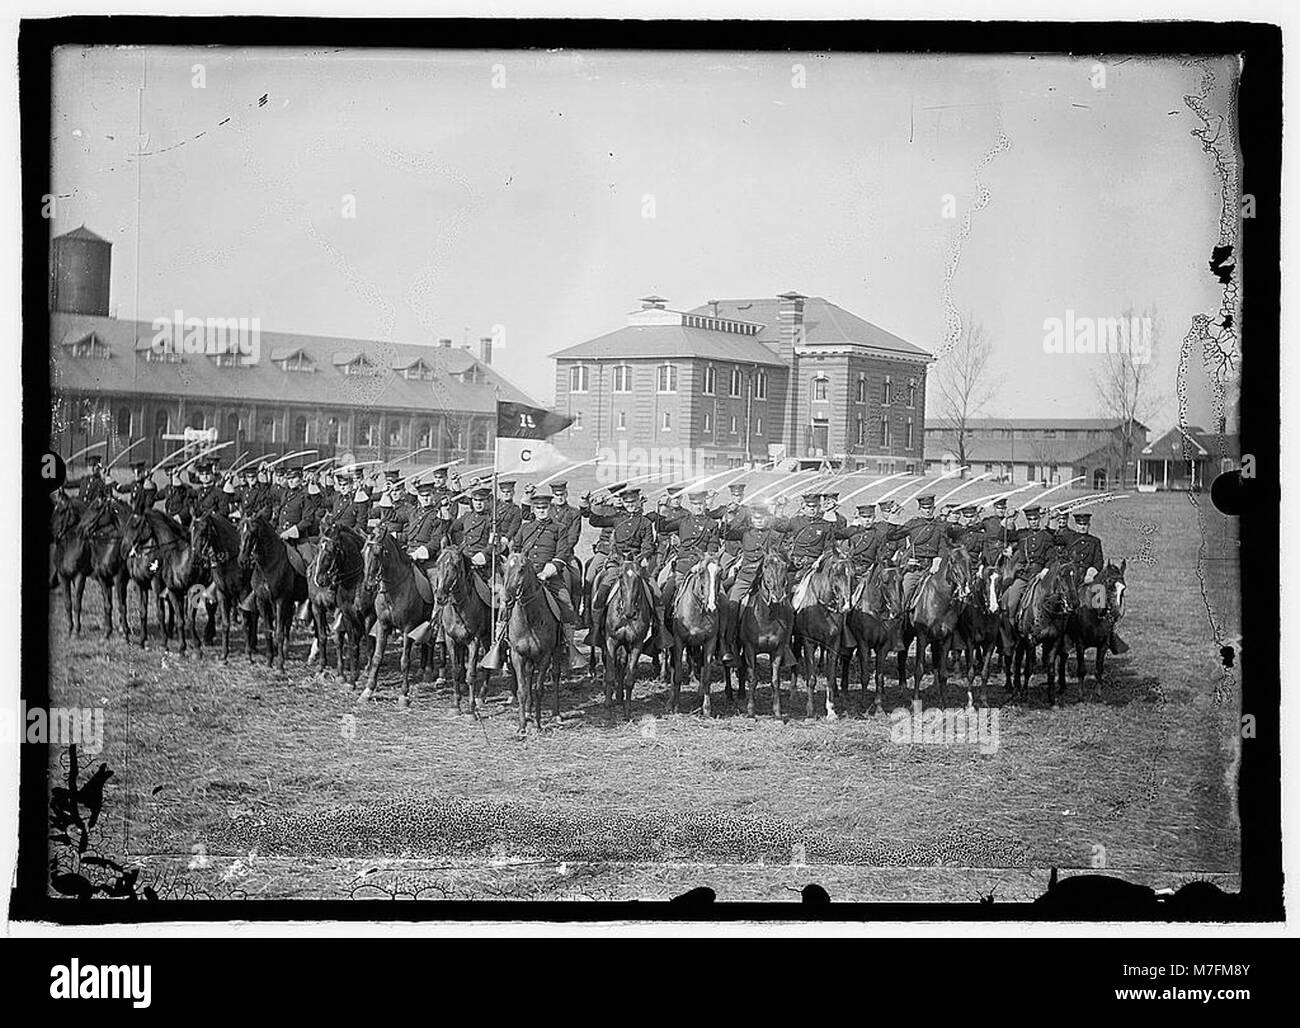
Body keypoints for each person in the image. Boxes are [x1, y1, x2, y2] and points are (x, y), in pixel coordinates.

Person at [481, 492, 582, 672]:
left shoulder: (559, 528)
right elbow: (516, 549)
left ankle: (569, 647)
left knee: (566, 605)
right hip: (524, 577)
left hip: (548, 577)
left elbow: (562, 554)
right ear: (533, 510)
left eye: (545, 508)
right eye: (538, 508)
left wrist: (547, 571)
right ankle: (500, 645)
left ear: (549, 509)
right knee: (504, 604)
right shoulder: (526, 529)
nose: (542, 511)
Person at [586, 488, 657, 651]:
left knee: (656, 593)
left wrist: (639, 558)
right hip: (617, 563)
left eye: (633, 502)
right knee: (602, 589)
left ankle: (659, 631)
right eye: (627, 502)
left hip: (636, 564)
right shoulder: (616, 518)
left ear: (639, 502)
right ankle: (596, 629)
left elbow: (648, 546)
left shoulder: (645, 523)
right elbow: (595, 521)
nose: (631, 505)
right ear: (623, 503)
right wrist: (594, 506)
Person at [885, 494, 951, 611]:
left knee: (949, 597)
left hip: (933, 569)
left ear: (934, 508)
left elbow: (943, 547)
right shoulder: (913, 524)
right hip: (915, 568)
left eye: (930, 508)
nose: (927, 511)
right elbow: (892, 536)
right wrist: (893, 517)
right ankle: (901, 622)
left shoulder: (939, 525)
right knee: (903, 597)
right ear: (919, 509)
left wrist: (938, 561)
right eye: (925, 508)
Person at [999, 505, 1057, 619]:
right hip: (1024, 576)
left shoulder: (1046, 536)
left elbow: (1051, 557)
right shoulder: (1022, 534)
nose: (1033, 522)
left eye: (1035, 519)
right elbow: (1002, 535)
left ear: (1039, 519)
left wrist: (1046, 569)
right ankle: (1010, 630)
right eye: (1030, 519)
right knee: (1012, 602)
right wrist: (1009, 519)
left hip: (1040, 575)